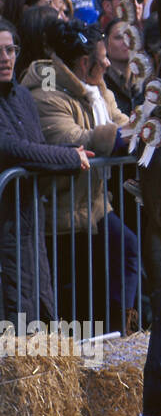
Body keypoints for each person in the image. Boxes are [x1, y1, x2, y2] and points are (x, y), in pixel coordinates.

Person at [23, 19, 138, 331]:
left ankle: (119, 333)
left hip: (95, 206)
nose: (107, 63)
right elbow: (71, 139)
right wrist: (123, 134)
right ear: (85, 63)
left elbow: (120, 120)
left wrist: (139, 126)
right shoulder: (45, 92)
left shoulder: (97, 88)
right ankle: (73, 345)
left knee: (126, 250)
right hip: (61, 213)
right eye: (103, 58)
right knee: (72, 289)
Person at [0, 18, 90, 326]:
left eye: (10, 49)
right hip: (5, 218)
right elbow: (11, 148)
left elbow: (35, 146)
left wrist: (68, 154)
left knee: (39, 296)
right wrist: (69, 157)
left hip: (30, 214)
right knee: (13, 302)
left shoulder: (23, 97)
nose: (5, 58)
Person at [102, 17, 138, 111]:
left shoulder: (144, 79)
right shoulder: (100, 81)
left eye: (130, 36)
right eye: (119, 37)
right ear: (106, 43)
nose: (126, 42)